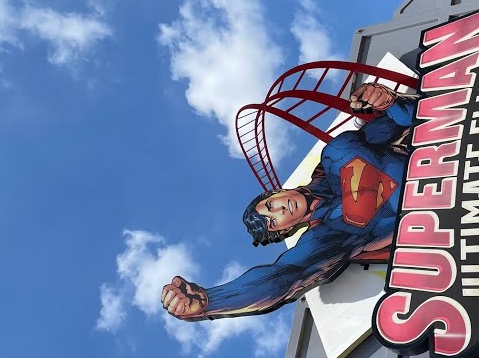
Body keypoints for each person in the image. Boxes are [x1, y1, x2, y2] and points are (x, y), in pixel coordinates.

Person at [161, 81, 414, 321]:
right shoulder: (326, 236)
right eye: (274, 221)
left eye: (271, 205)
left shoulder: (337, 153)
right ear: (284, 230)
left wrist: (387, 101)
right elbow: (283, 276)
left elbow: (404, 118)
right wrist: (209, 301)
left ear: (276, 193)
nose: (280, 210)